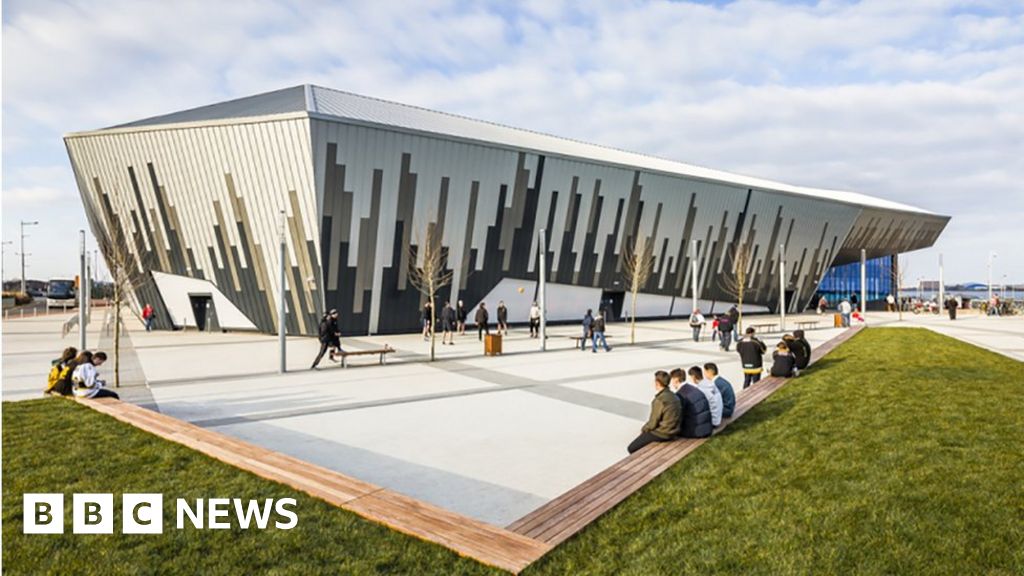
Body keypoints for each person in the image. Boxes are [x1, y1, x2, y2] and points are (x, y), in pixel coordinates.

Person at [627, 371, 682, 453]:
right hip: (674, 431)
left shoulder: (659, 400)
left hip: (663, 433)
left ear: (657, 383)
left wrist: (644, 429)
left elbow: (652, 423)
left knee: (631, 448)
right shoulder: (675, 397)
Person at [671, 368, 712, 439]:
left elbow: (679, 416)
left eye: (672, 380)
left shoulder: (680, 394)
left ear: (676, 380)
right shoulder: (694, 388)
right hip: (707, 428)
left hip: (696, 431)